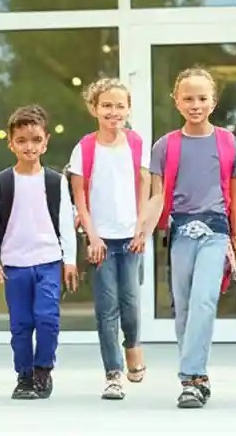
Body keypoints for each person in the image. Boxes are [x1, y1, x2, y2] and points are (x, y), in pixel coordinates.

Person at [137, 66, 236, 409]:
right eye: (188, 98)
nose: (195, 104)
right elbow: (157, 195)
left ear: (213, 101)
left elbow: (235, 190)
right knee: (184, 307)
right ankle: (195, 378)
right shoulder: (165, 146)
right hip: (180, 230)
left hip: (216, 230)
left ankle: (192, 376)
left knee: (204, 301)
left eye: (202, 98)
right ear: (176, 101)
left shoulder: (229, 143)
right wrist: (142, 228)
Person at [0, 104, 79, 400]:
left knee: (47, 319)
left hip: (48, 262)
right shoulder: (1, 182)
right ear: (11, 143)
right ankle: (24, 377)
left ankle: (42, 371)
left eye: (36, 140)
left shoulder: (55, 181)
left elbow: (65, 224)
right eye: (21, 141)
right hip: (15, 265)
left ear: (46, 141)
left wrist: (70, 261)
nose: (29, 147)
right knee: (21, 324)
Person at [68, 78, 149, 399]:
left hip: (131, 238)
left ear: (128, 109)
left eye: (120, 106)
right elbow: (80, 199)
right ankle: (112, 373)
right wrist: (93, 237)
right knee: (106, 308)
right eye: (107, 106)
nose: (113, 112)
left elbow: (146, 188)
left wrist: (142, 228)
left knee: (130, 303)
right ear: (94, 108)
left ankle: (133, 347)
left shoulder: (137, 144)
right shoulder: (85, 148)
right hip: (101, 240)